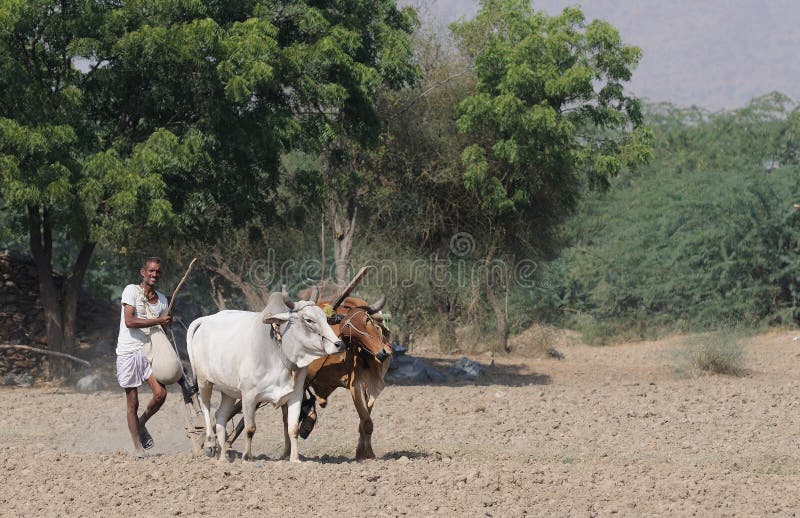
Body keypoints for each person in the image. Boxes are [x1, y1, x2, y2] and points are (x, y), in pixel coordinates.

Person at [115, 256, 173, 458]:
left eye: (157, 271)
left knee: (160, 394)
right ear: (143, 272)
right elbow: (129, 321)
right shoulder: (131, 291)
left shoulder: (163, 300)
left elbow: (163, 331)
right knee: (133, 402)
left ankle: (141, 423)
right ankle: (138, 448)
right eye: (151, 271)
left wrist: (166, 324)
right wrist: (158, 319)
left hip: (149, 352)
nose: (154, 274)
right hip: (128, 352)